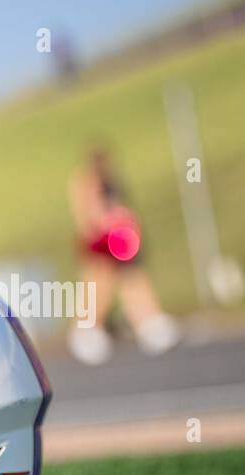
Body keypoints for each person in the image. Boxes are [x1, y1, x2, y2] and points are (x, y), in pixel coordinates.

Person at [67, 147, 180, 364]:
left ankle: (147, 322)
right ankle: (86, 330)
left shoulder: (108, 180)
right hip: (101, 237)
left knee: (130, 278)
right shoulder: (86, 180)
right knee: (100, 283)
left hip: (116, 236)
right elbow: (88, 211)